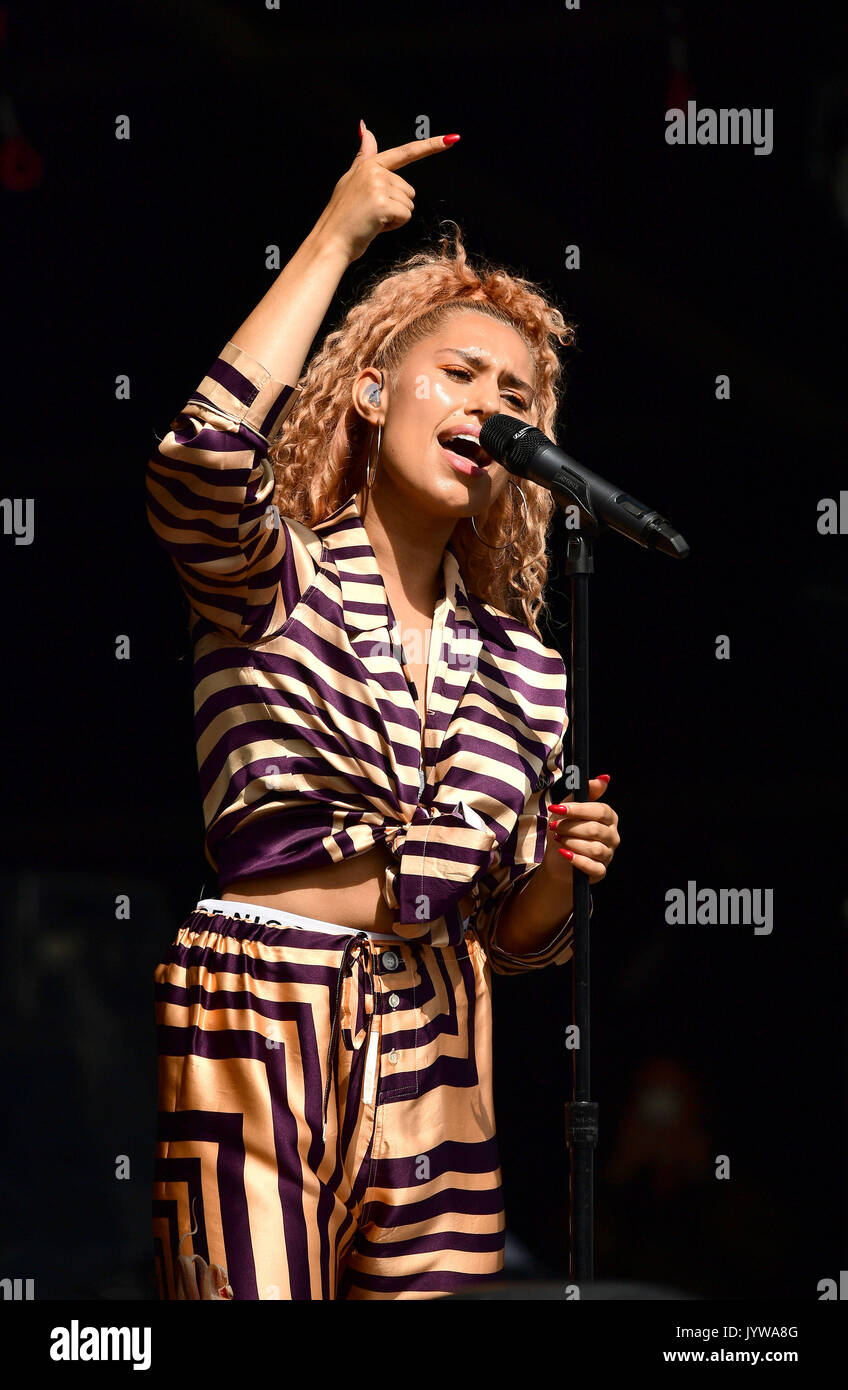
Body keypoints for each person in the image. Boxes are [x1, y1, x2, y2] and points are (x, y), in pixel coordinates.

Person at [146, 119, 620, 1302]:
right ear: (370, 389)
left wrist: (561, 871)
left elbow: (513, 931)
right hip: (265, 994)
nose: (489, 404)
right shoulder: (275, 578)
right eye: (458, 374)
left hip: (440, 1022)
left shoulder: (528, 669)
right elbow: (200, 459)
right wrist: (337, 231)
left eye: (517, 395)